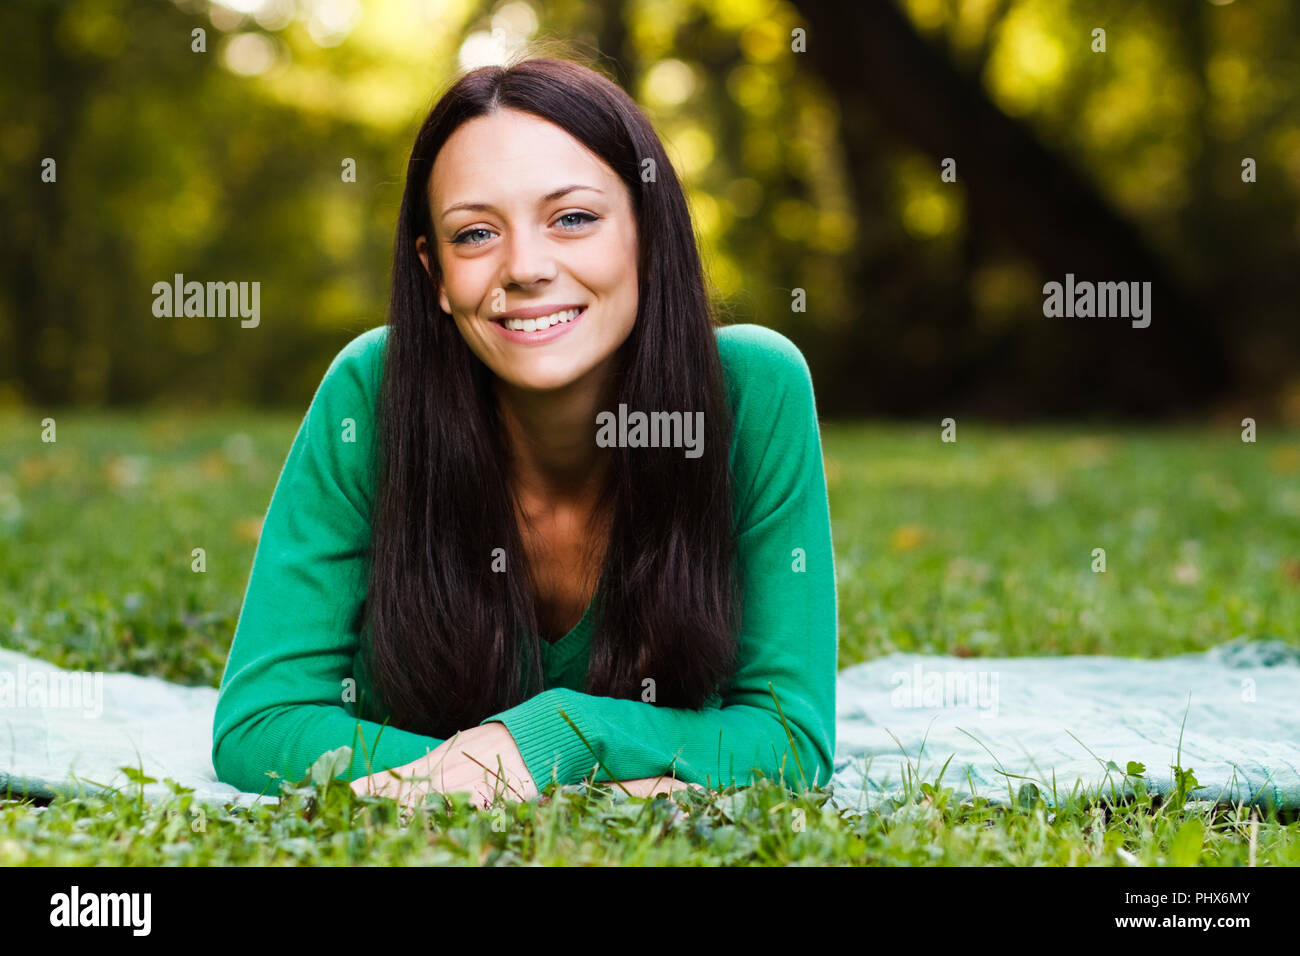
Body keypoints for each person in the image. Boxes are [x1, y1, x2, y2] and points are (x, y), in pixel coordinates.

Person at [211, 54, 838, 813]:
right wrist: (526, 782)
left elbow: (788, 741)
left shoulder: (754, 392)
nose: (525, 267)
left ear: (647, 231)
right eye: (475, 234)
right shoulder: (371, 394)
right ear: (435, 274)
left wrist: (560, 734)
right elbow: (260, 722)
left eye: (572, 218)